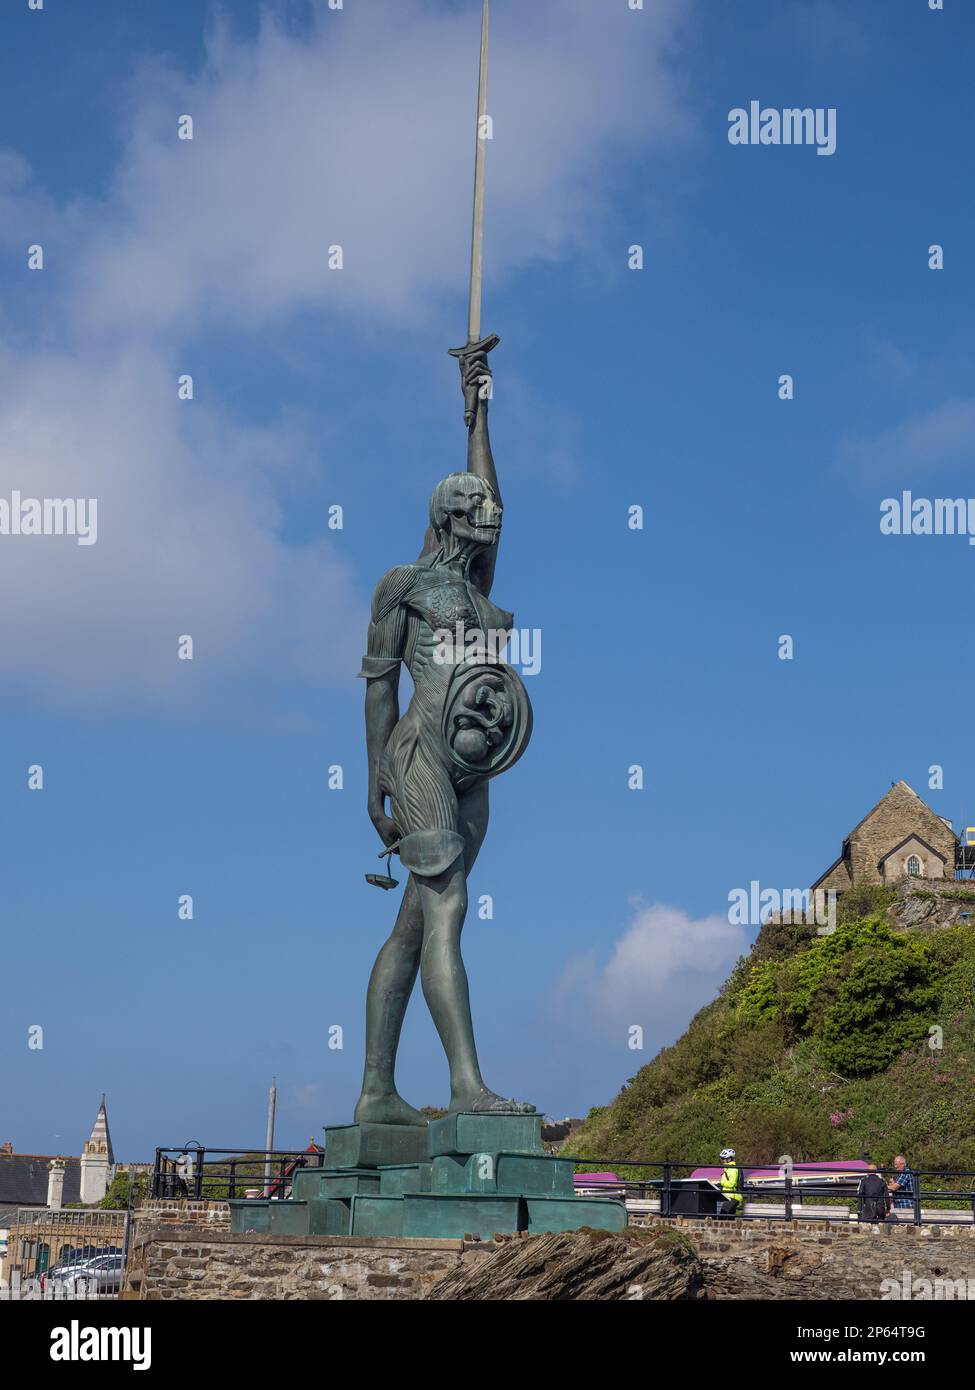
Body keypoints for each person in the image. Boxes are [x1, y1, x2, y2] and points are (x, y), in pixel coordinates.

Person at [716, 1147, 744, 1217]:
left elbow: (732, 1183)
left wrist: (721, 1182)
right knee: (730, 1218)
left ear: (729, 1159)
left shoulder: (732, 1169)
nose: (722, 1161)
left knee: (722, 1216)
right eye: (721, 1159)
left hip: (732, 1196)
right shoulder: (728, 1168)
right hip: (730, 1196)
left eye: (723, 1159)